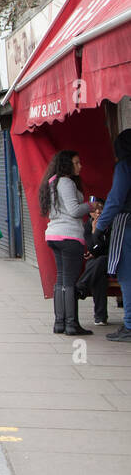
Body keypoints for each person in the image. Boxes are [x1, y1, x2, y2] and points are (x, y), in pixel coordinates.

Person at [41, 150, 93, 336]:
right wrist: (91, 206)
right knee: (70, 281)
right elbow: (74, 210)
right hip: (69, 236)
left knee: (61, 280)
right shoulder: (66, 182)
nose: (80, 166)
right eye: (76, 163)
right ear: (66, 165)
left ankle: (60, 323)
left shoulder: (52, 181)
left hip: (54, 235)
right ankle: (72, 324)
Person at [95, 129, 131, 342]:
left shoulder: (125, 166)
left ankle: (129, 324)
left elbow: (115, 200)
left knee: (126, 275)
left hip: (127, 225)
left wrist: (100, 228)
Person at [77, 198, 110, 326]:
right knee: (97, 271)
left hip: (112, 259)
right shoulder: (88, 225)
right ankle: (100, 317)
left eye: (100, 208)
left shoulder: (111, 224)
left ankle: (81, 287)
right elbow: (92, 248)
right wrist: (94, 232)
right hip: (99, 262)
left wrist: (97, 234)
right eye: (94, 209)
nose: (97, 212)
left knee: (99, 261)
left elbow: (107, 247)